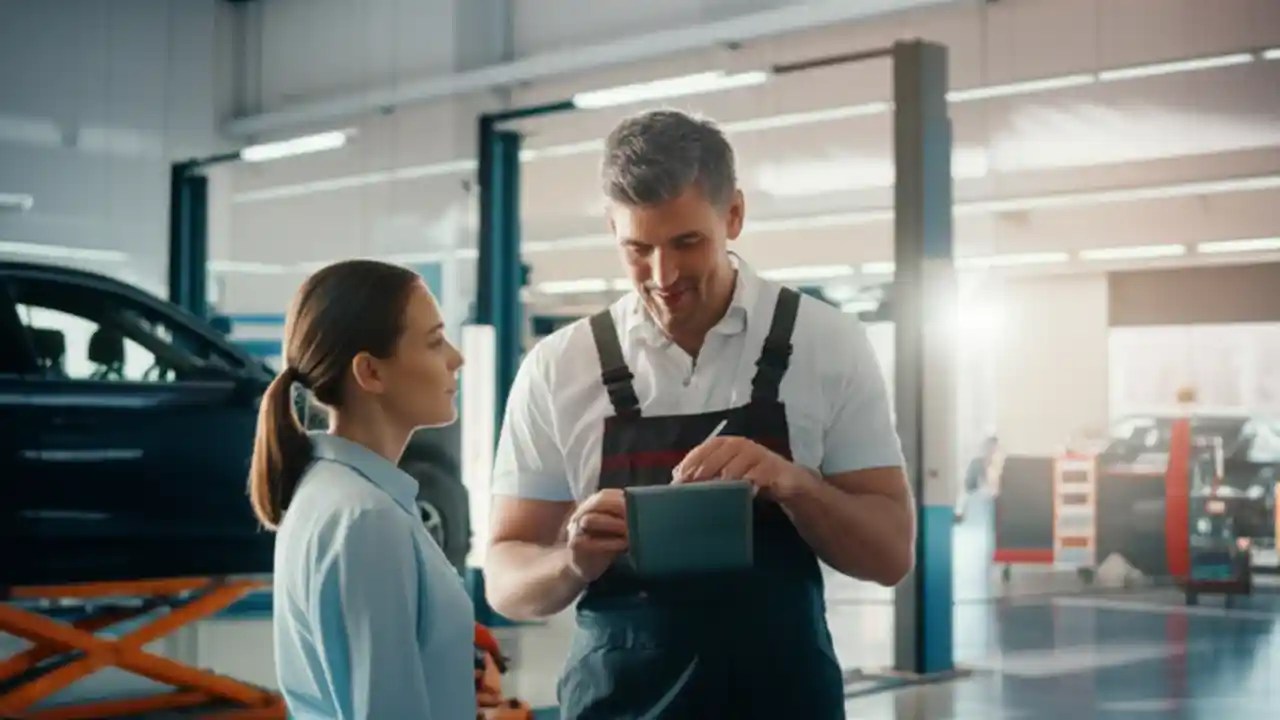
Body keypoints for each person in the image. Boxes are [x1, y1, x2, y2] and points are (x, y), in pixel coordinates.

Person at [484, 109, 916, 719]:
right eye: (637, 248)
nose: (663, 276)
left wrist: (796, 485)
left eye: (687, 242)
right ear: (612, 228)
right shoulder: (559, 368)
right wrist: (572, 561)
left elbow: (889, 555)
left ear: (733, 215)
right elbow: (506, 581)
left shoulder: (827, 343)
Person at [247, 259, 474, 720]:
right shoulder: (367, 518)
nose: (456, 357)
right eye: (433, 342)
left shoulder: (330, 492)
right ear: (370, 372)